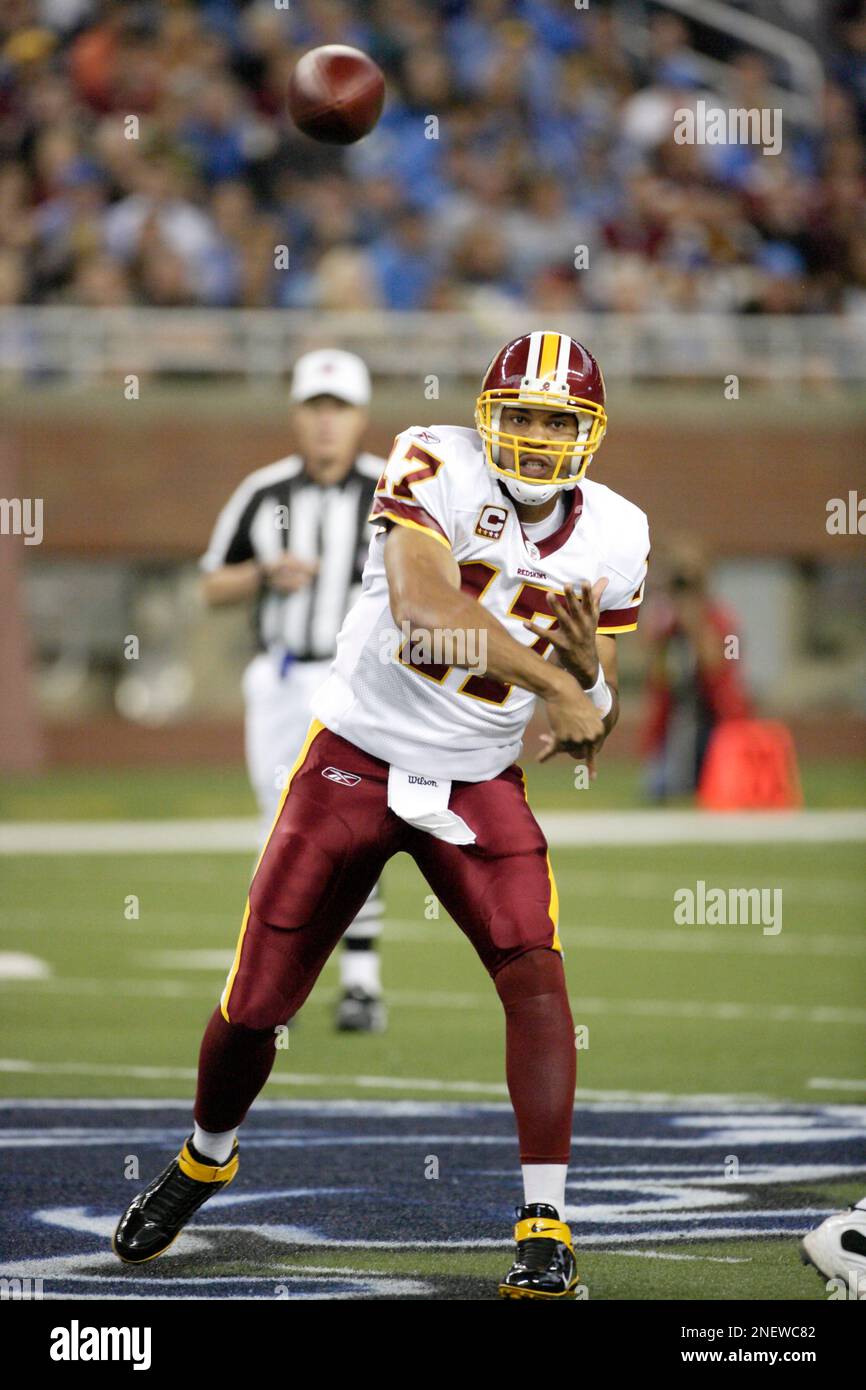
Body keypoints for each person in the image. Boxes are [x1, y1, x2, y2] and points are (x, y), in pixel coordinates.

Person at [113, 331, 650, 1300]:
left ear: (588, 431)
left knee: (535, 971)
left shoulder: (618, 530)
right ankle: (206, 1156)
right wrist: (553, 683)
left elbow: (592, 699)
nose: (532, 437)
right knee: (259, 996)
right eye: (519, 415)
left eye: (554, 419)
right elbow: (420, 609)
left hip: (479, 774)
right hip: (354, 755)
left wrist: (588, 704)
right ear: (489, 417)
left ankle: (543, 1221)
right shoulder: (432, 457)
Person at [199, 348, 388, 1031]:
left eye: (339, 409)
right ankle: (274, 985)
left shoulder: (392, 493)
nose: (327, 424)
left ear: (361, 416)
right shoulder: (264, 491)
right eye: (316, 408)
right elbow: (212, 581)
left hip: (362, 683)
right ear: (296, 416)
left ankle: (361, 983)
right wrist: (263, 574)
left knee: (359, 829)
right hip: (282, 676)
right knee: (281, 831)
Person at [640, 540, 750, 801]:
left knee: (719, 793)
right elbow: (656, 673)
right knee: (657, 790)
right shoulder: (665, 621)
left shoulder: (720, 619)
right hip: (673, 725)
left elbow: (714, 667)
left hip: (716, 724)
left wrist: (694, 615)